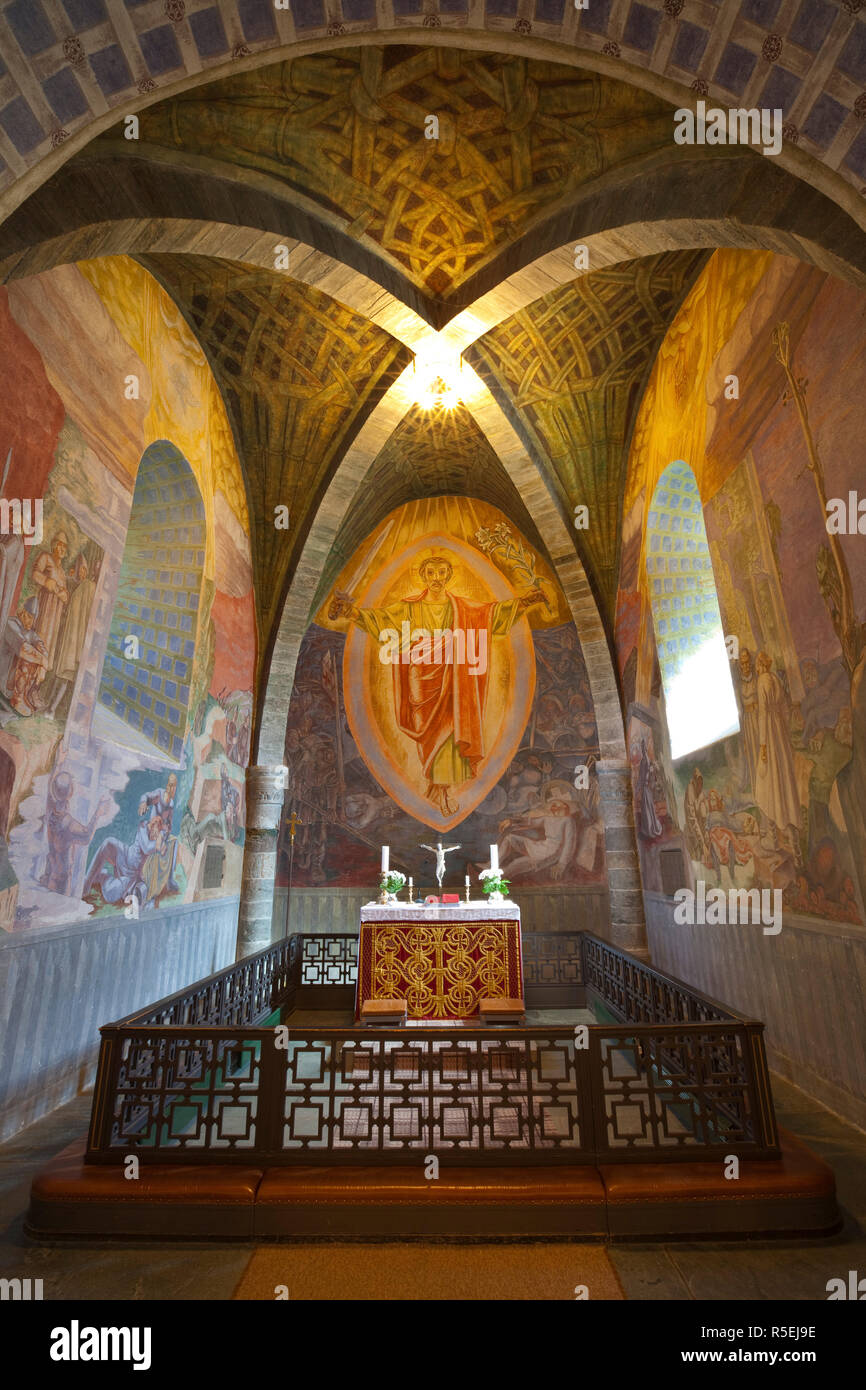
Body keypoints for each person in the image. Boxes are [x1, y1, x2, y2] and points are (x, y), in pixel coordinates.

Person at [330, 555, 543, 816]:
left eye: (442, 572)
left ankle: (442, 789)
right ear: (423, 576)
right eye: (431, 573)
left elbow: (493, 615)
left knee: (452, 730)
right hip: (421, 677)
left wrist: (526, 601)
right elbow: (381, 621)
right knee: (430, 734)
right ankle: (435, 784)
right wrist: (349, 612)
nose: (437, 578)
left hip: (455, 678)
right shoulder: (409, 607)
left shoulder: (464, 608)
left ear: (449, 575)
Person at [39, 766, 112, 896]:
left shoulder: (52, 813)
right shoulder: (67, 822)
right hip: (61, 882)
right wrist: (98, 813)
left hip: (51, 876)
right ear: (71, 792)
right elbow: (86, 836)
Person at [83, 815, 167, 909]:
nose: (156, 834)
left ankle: (103, 876)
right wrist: (159, 843)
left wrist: (161, 838)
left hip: (132, 874)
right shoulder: (143, 827)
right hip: (126, 855)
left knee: (112, 894)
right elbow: (146, 848)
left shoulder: (159, 835)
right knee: (108, 843)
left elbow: (161, 849)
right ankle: (87, 882)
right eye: (157, 828)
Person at [2, 597, 49, 715]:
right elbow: (23, 649)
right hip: (3, 677)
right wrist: (43, 661)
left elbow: (41, 646)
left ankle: (24, 695)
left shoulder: (30, 632)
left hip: (12, 680)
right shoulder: (11, 624)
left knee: (36, 657)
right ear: (22, 612)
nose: (30, 622)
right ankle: (17, 699)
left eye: (33, 618)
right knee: (28, 657)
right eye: (28, 616)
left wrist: (43, 665)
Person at [31, 530, 69, 671]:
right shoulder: (46, 557)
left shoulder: (63, 573)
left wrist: (64, 595)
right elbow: (35, 574)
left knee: (48, 647)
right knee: (38, 641)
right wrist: (47, 581)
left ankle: (36, 683)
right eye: (59, 545)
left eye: (64, 546)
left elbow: (63, 592)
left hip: (55, 617)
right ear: (53, 545)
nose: (62, 549)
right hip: (44, 609)